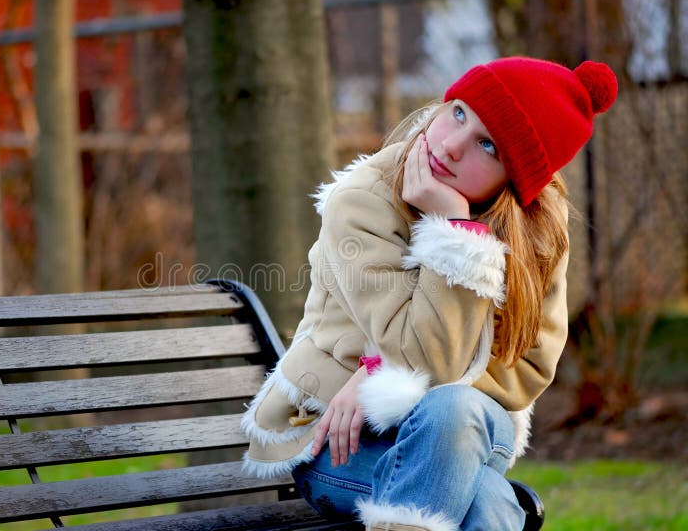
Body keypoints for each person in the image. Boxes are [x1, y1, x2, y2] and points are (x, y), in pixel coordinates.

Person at [240, 57, 618, 530]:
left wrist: (378, 373)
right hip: (341, 440)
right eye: (459, 113)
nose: (452, 146)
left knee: (452, 409)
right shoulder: (363, 202)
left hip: (467, 430)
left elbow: (527, 369)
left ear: (515, 180)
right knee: (486, 505)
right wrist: (457, 242)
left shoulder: (538, 227)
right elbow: (425, 356)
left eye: (487, 146)